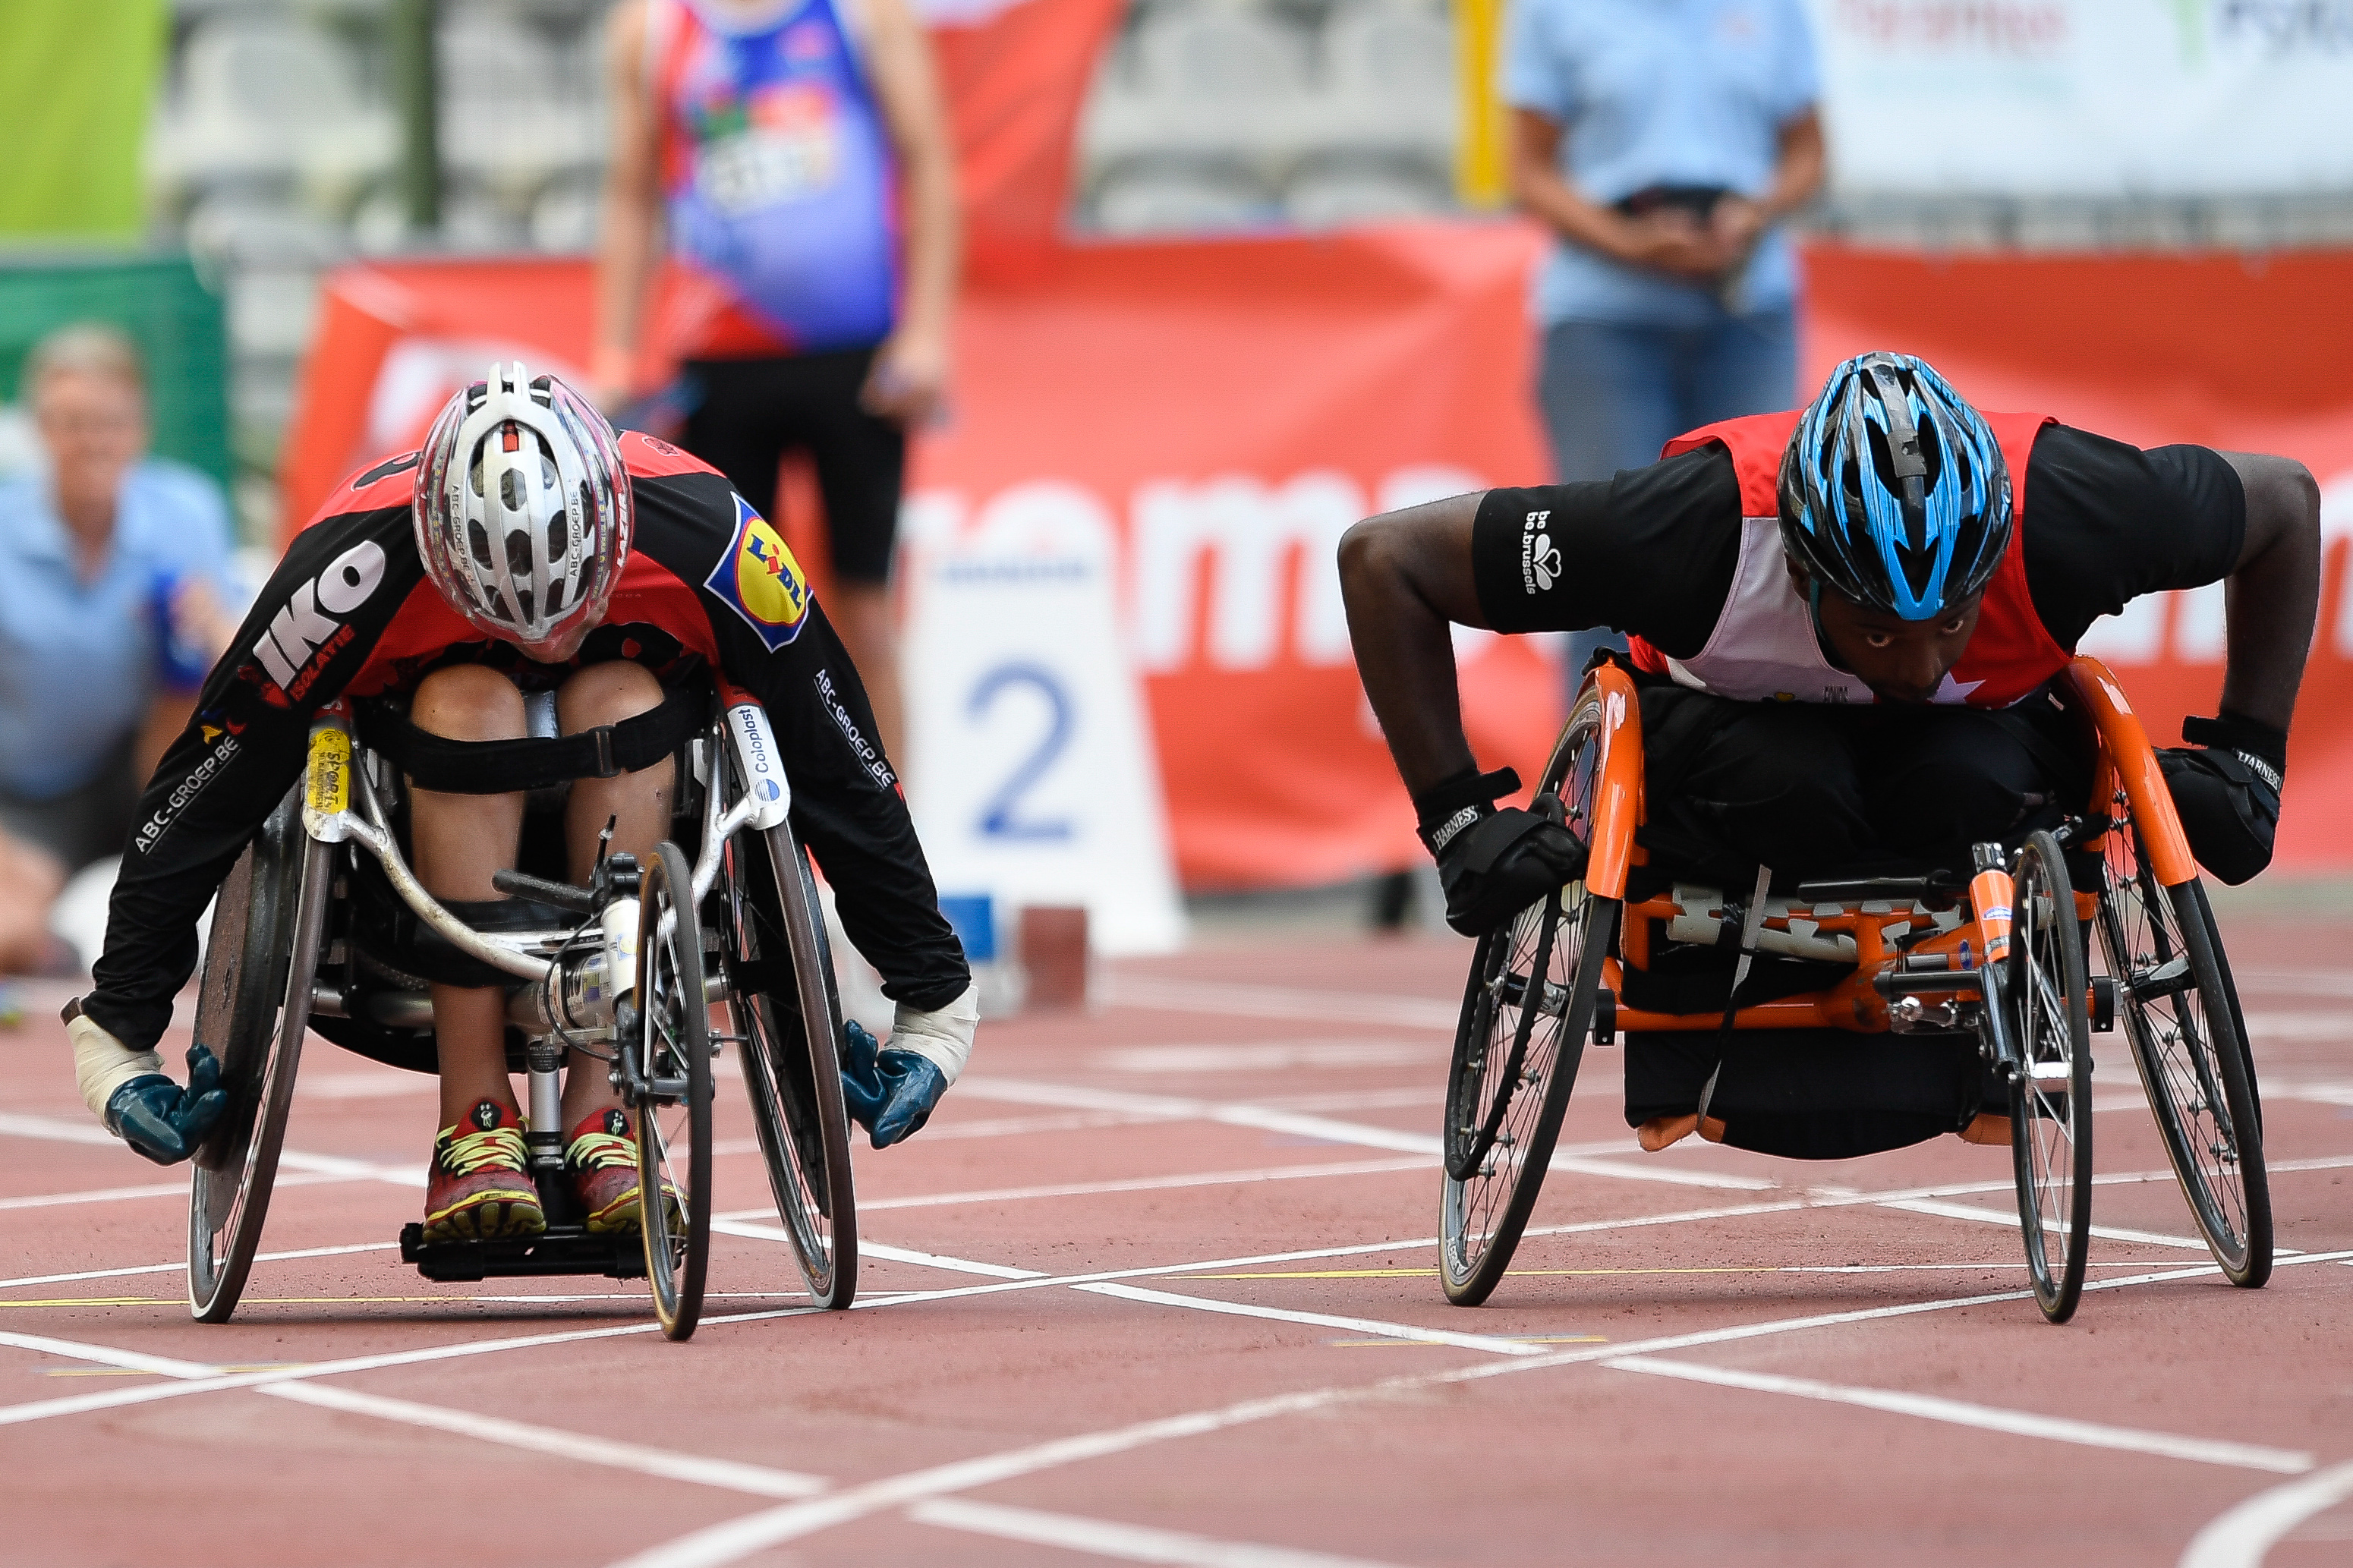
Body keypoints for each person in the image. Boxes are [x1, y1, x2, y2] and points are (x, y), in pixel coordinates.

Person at [62, 366, 976, 1245]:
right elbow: (212, 774)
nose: (544, 645)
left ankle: (605, 1114)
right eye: (499, 614)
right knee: (471, 696)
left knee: (616, 689)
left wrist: (932, 996)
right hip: (429, 793)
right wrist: (118, 1030)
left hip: (635, 769)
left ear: (613, 530)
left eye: (573, 611)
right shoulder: (349, 565)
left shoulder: (715, 538)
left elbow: (838, 759)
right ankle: (473, 1115)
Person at [1340, 351, 2319, 1151]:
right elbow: (1384, 559)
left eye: (1951, 621)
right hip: (1736, 756)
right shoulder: (1687, 531)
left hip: (1970, 749)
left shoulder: (2072, 512)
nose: (1918, 664)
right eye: (1879, 629)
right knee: (1796, 783)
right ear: (1802, 570)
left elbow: (2283, 504)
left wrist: (2251, 758)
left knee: (1963, 782)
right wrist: (1456, 820)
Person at [593, 0, 961, 767]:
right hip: (719, 369)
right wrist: (616, 349)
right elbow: (632, 191)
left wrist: (926, 334)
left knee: (865, 614)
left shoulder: (861, 15)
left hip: (857, 366)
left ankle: (892, 829)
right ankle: (747, 827)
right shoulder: (652, 29)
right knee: (725, 623)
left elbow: (928, 162)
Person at [1504, 0, 1826, 679]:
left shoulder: (1775, 10)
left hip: (1747, 311)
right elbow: (1529, 170)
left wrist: (1755, 211)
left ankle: (1739, 740)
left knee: (1762, 548)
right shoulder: (1553, 12)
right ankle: (1602, 739)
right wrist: (1626, 242)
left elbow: (1809, 153)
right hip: (1604, 318)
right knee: (1601, 553)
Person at [0, 323, 239, 973]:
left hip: (147, 770)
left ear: (141, 429)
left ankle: (168, 876)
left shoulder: (187, 509)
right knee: (11, 933)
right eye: (72, 423)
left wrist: (210, 626)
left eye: (111, 422)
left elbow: (246, 669)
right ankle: (62, 949)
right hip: (30, 792)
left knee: (187, 670)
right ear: (41, 429)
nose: (93, 441)